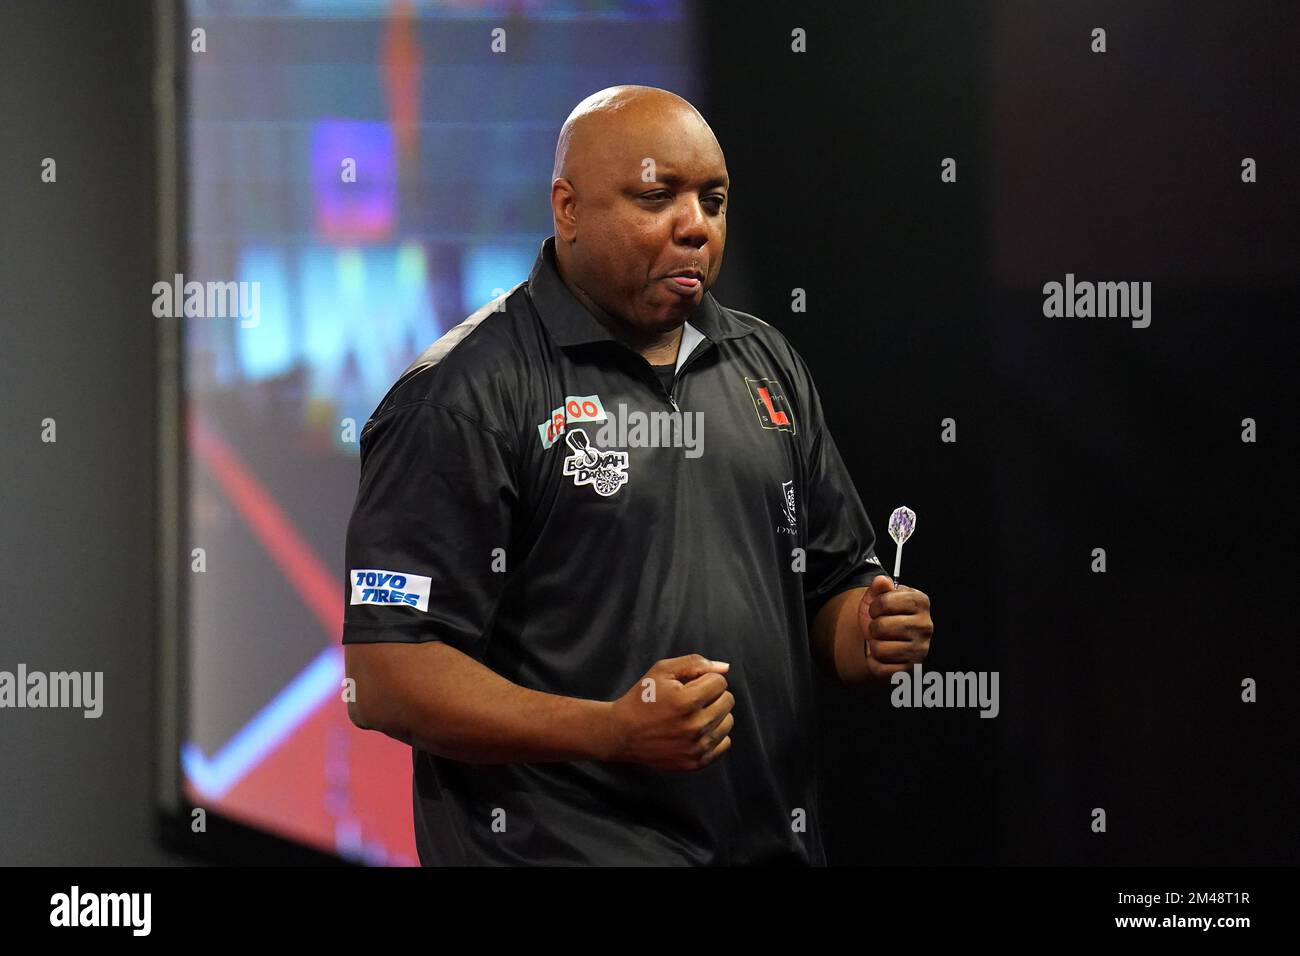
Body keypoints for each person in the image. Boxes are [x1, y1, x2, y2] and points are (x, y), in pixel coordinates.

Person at [342, 85, 934, 865]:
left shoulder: (767, 366)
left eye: (712, 200)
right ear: (568, 209)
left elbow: (830, 587)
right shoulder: (461, 398)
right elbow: (387, 674)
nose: (695, 225)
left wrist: (866, 629)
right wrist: (612, 730)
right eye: (657, 196)